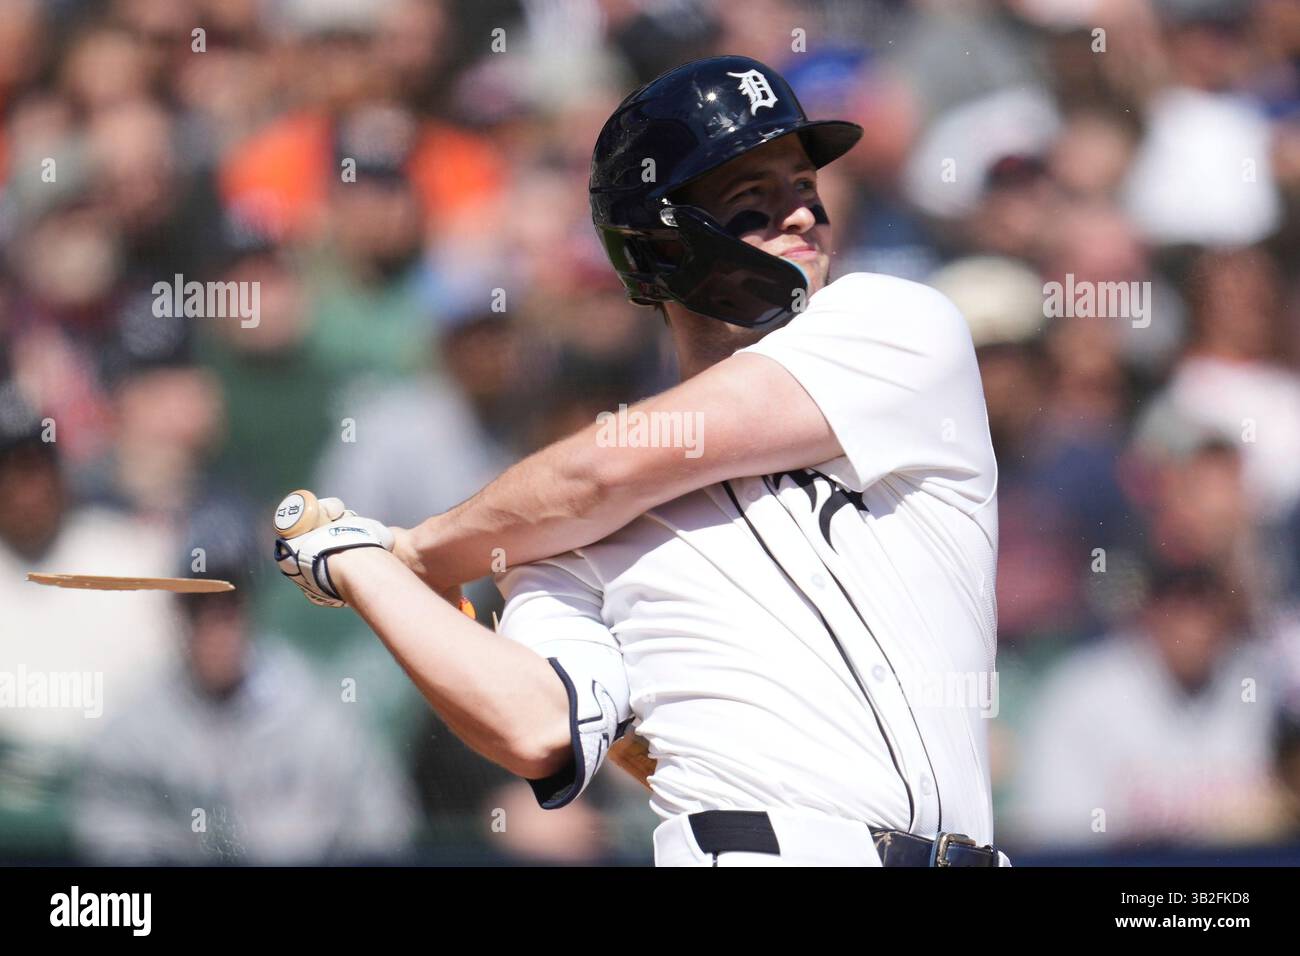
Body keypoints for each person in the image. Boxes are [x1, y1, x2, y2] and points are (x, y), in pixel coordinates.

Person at [274, 56, 1005, 867]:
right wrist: (361, 568)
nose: (800, 216)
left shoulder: (898, 326)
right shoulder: (562, 533)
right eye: (753, 203)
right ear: (661, 243)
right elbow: (536, 725)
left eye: (805, 188)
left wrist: (420, 550)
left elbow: (608, 470)